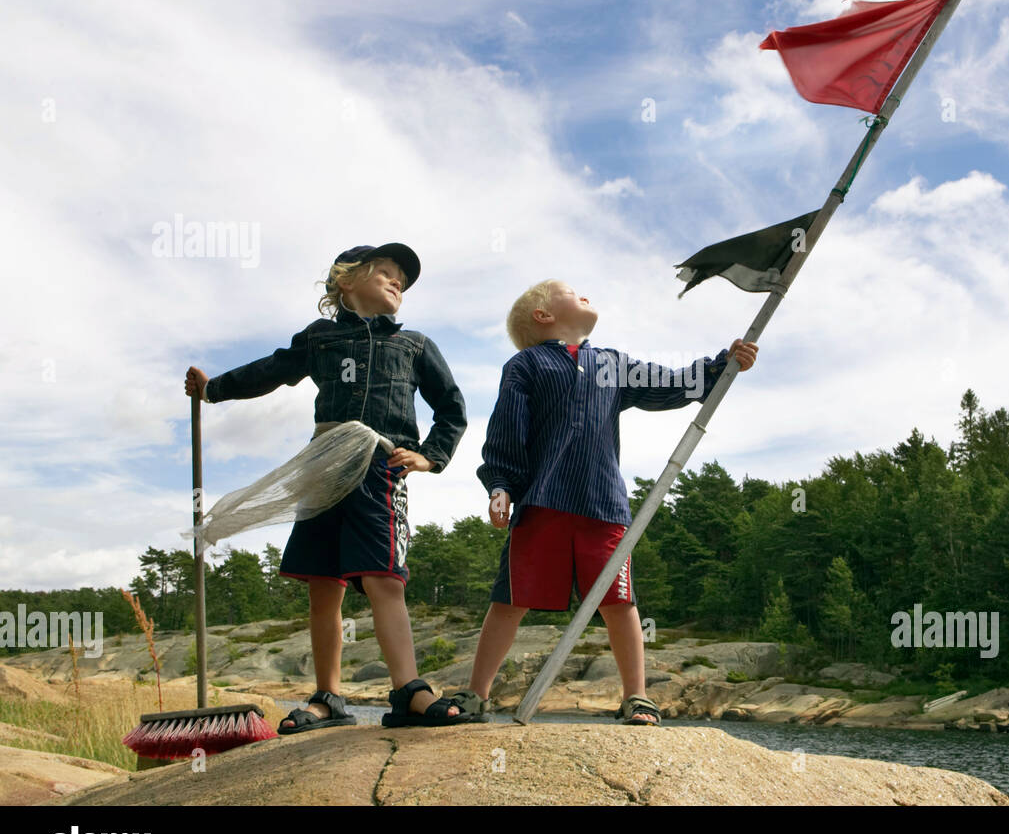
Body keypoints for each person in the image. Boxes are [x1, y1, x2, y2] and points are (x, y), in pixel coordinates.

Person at [436, 279, 757, 725]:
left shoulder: (611, 364)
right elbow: (506, 430)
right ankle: (476, 693)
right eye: (570, 292)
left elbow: (670, 384)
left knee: (619, 601)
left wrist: (720, 365)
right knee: (510, 598)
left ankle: (636, 696)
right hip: (542, 501)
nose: (584, 294)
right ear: (544, 316)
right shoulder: (525, 365)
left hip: (603, 504)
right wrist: (500, 484)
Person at [184, 244, 470, 730]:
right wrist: (214, 389)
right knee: (323, 584)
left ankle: (408, 691)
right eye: (386, 271)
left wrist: (430, 455)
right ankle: (329, 699)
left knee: (383, 576)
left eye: (402, 278)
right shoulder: (319, 337)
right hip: (324, 466)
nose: (397, 281)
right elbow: (271, 370)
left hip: (380, 466)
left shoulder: (415, 345)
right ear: (346, 281)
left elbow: (452, 406)